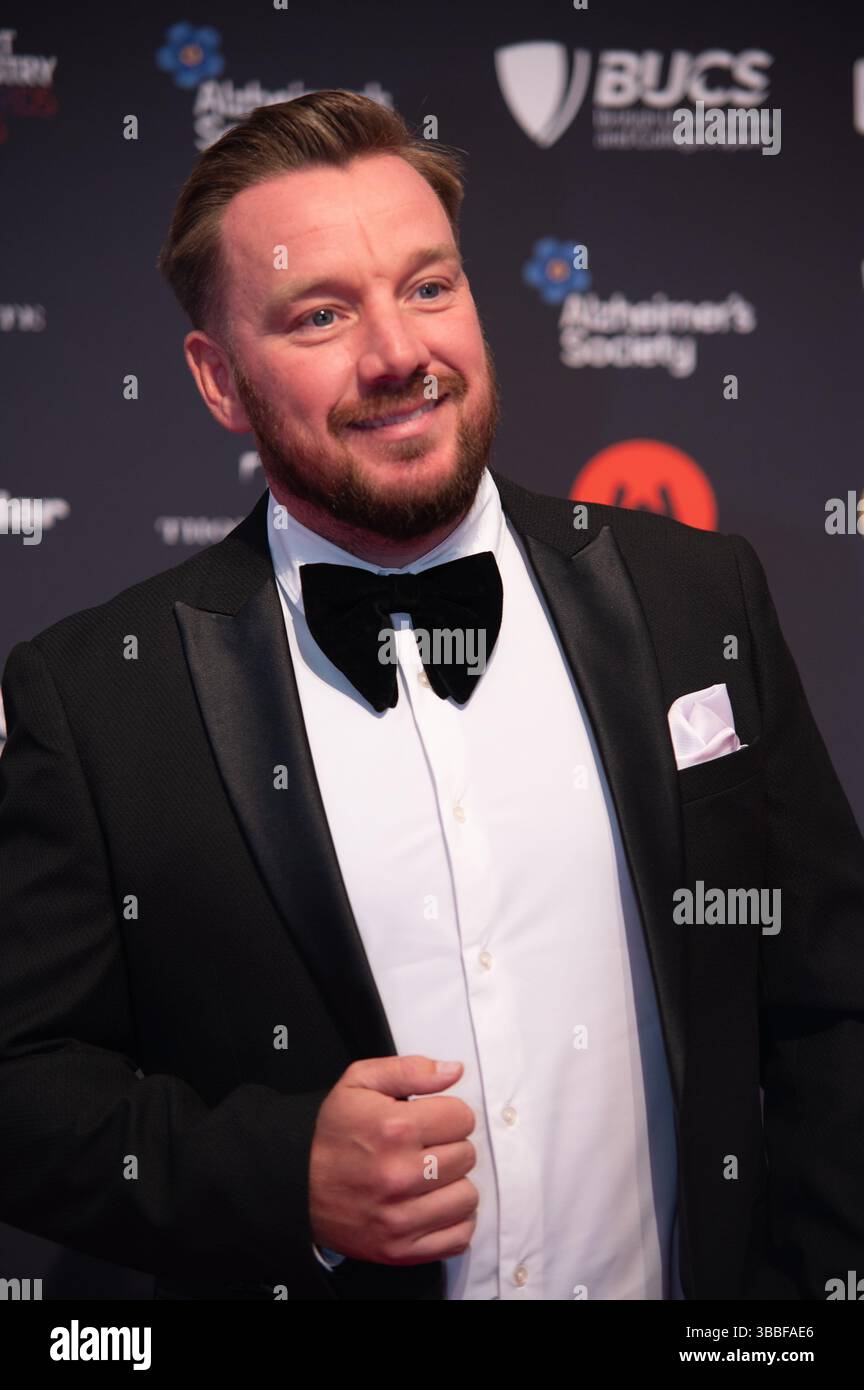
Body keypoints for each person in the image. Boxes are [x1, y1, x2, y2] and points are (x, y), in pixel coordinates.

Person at [1, 89, 863, 1302]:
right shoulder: (96, 695)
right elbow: (23, 1084)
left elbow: (832, 1002)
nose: (399, 353)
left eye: (427, 286)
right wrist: (277, 1170)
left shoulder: (693, 596)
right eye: (319, 314)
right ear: (216, 380)